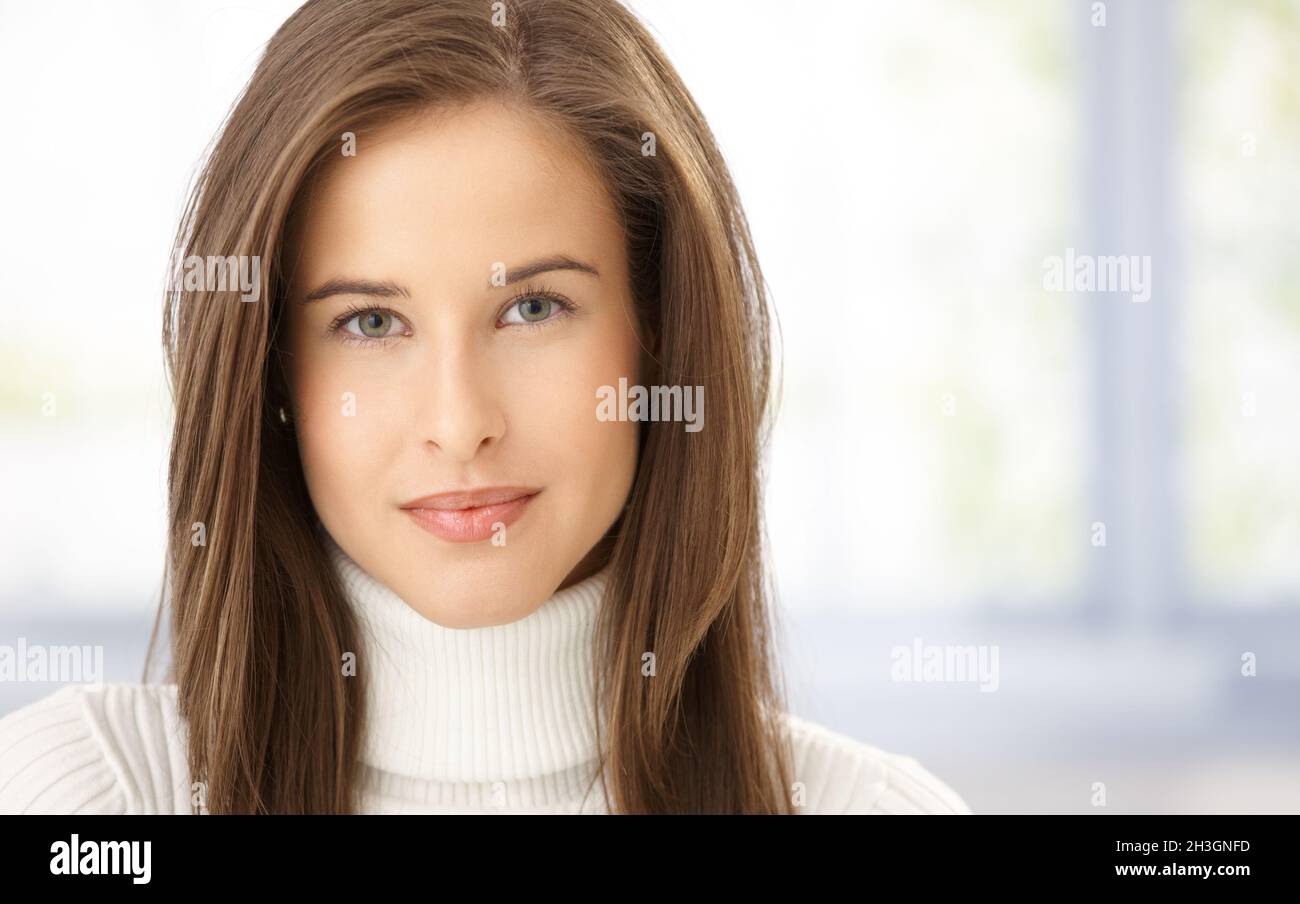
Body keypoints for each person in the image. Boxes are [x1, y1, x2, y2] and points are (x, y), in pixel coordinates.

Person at [0, 0, 971, 815]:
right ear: (271, 373)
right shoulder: (86, 796)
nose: (460, 422)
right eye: (371, 321)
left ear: (659, 334)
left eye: (532, 308)